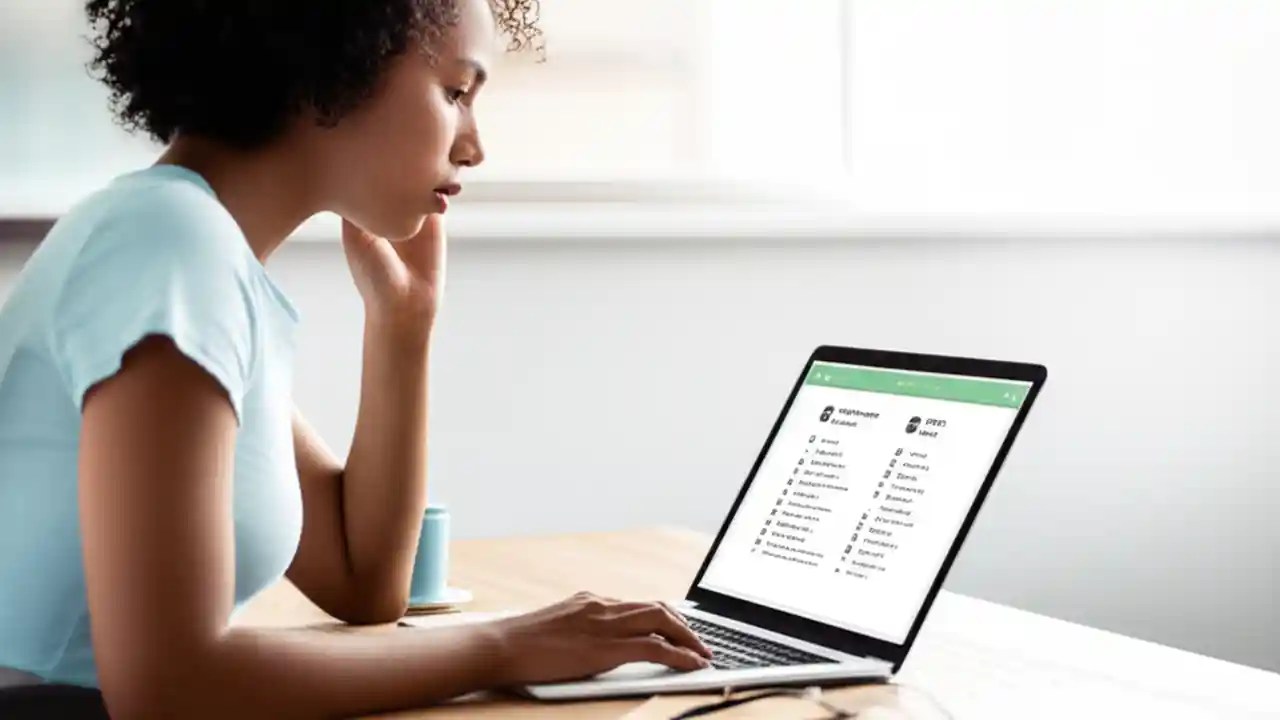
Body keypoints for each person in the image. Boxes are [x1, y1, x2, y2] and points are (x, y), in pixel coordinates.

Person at [0, 0, 712, 716]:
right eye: (456, 93)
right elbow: (168, 684)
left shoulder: (195, 248)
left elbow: (362, 578)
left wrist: (403, 325)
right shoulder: (169, 248)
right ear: (332, 65)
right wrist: (501, 646)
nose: (473, 146)